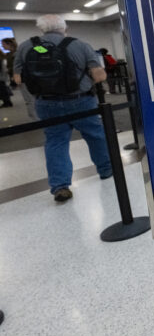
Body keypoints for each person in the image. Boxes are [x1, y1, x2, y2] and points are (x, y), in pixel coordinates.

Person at [13, 14, 113, 203]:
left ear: (41, 29)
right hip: (80, 101)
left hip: (46, 103)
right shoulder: (79, 45)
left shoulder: (26, 46)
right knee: (95, 135)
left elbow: (18, 79)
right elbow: (99, 76)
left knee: (55, 142)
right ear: (64, 27)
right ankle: (106, 169)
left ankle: (60, 186)